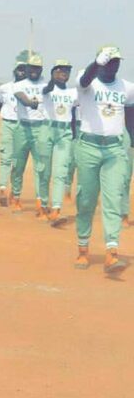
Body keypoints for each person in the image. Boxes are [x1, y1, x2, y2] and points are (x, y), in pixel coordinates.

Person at [72, 46, 133, 274]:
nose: (113, 66)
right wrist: (95, 63)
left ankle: (111, 250)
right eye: (109, 62)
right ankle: (83, 248)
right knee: (86, 200)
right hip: (88, 146)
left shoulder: (127, 88)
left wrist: (132, 142)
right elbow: (85, 79)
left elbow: (130, 115)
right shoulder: (87, 84)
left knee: (113, 197)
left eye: (116, 62)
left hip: (115, 149)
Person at [41, 60, 77, 227]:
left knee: (60, 171)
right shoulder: (47, 89)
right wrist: (52, 80)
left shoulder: (73, 93)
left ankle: (56, 209)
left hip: (65, 133)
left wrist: (74, 133)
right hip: (47, 130)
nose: (64, 73)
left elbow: (74, 113)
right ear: (53, 72)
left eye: (67, 71)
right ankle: (43, 204)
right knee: (44, 170)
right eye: (60, 70)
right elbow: (47, 89)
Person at [11, 55, 48, 215]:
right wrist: (29, 103)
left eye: (37, 68)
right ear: (26, 69)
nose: (34, 71)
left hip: (41, 128)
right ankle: (16, 196)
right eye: (31, 68)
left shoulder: (46, 86)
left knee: (41, 166)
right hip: (23, 128)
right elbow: (22, 98)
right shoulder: (19, 85)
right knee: (18, 165)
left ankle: (40, 200)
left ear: (41, 70)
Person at [0, 62, 27, 206]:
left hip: (23, 126)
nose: (21, 72)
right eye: (19, 69)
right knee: (5, 158)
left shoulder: (30, 88)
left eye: (24, 70)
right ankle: (2, 189)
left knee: (18, 162)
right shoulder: (5, 88)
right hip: (7, 124)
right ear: (14, 71)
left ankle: (15, 192)